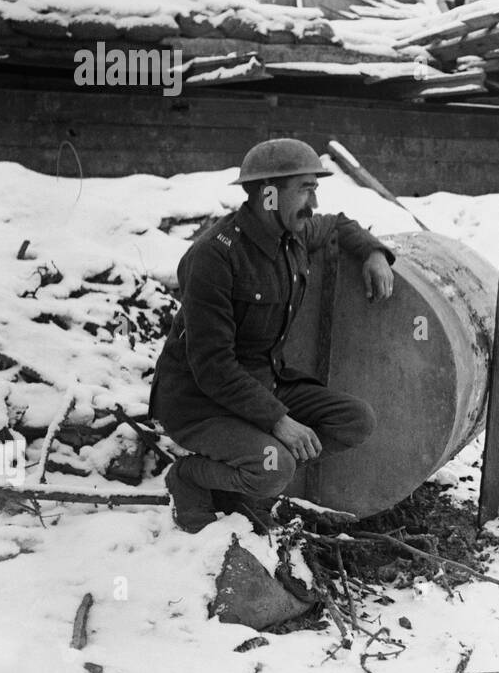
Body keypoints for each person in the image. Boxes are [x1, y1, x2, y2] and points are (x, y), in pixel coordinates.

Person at [151, 138, 395, 533]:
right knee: (275, 466)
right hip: (200, 401)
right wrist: (279, 421)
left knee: (354, 421)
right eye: (305, 189)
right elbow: (212, 366)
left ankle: (241, 479)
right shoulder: (214, 256)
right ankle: (191, 477)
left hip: (264, 384)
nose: (313, 203)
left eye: (314, 190)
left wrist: (374, 253)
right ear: (268, 194)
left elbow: (337, 224)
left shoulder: (292, 232)